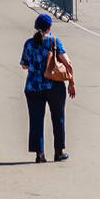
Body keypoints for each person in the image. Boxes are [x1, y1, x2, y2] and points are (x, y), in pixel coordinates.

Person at [21, 12, 75, 162]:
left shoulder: (29, 43)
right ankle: (59, 152)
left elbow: (24, 64)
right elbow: (67, 64)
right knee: (58, 118)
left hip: (33, 87)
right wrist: (71, 83)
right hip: (54, 86)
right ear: (49, 27)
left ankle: (39, 154)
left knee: (36, 120)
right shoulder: (54, 42)